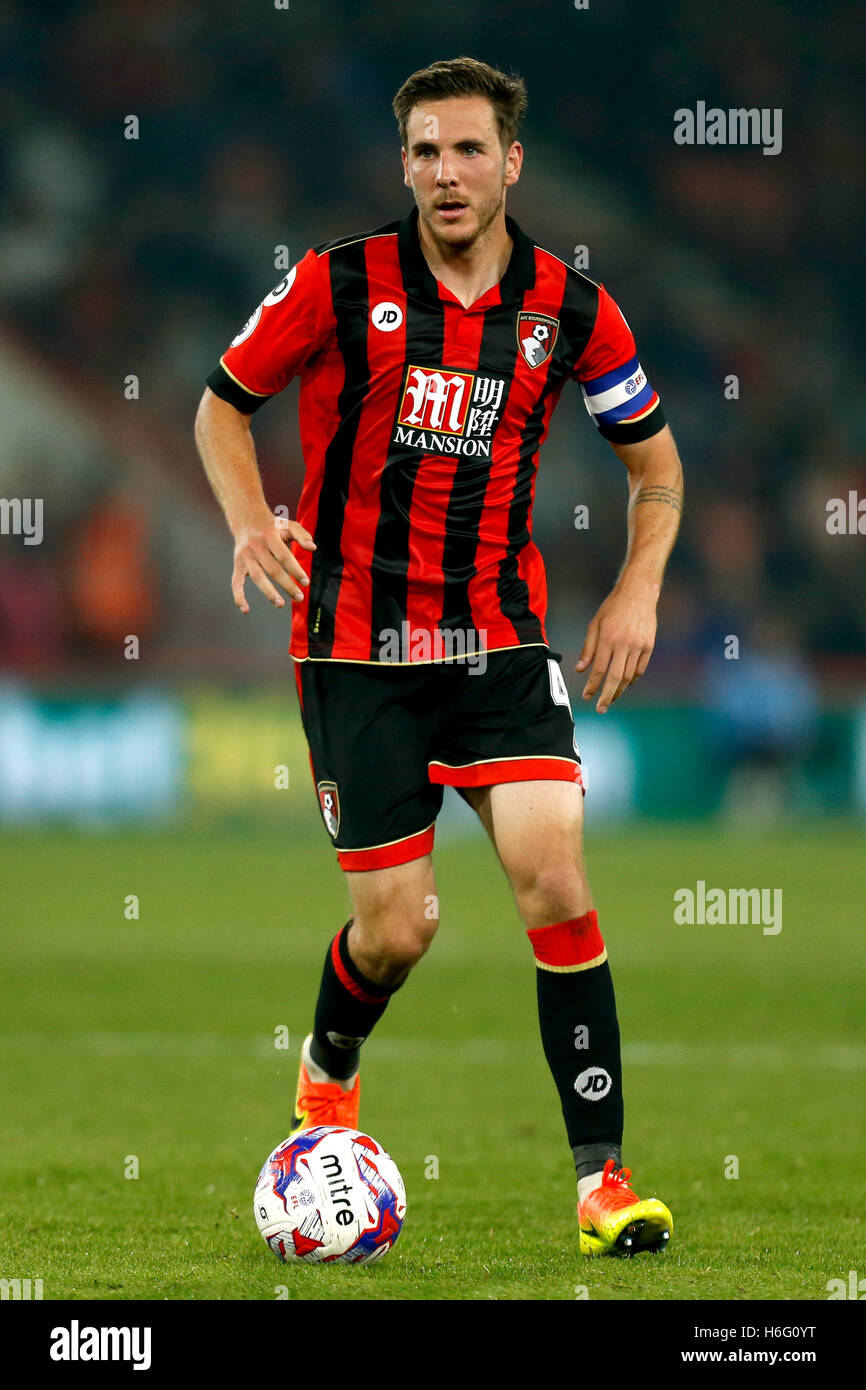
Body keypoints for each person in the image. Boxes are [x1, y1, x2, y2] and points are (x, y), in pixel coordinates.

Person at [195, 56, 683, 1257]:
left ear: (510, 162)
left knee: (555, 880)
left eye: (467, 150)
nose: (445, 173)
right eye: (423, 151)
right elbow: (218, 404)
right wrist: (253, 522)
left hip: (497, 641)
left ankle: (602, 1181)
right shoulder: (336, 281)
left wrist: (634, 587)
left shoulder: (571, 306)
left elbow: (655, 466)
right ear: (400, 163)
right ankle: (327, 1079)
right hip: (354, 653)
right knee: (395, 929)